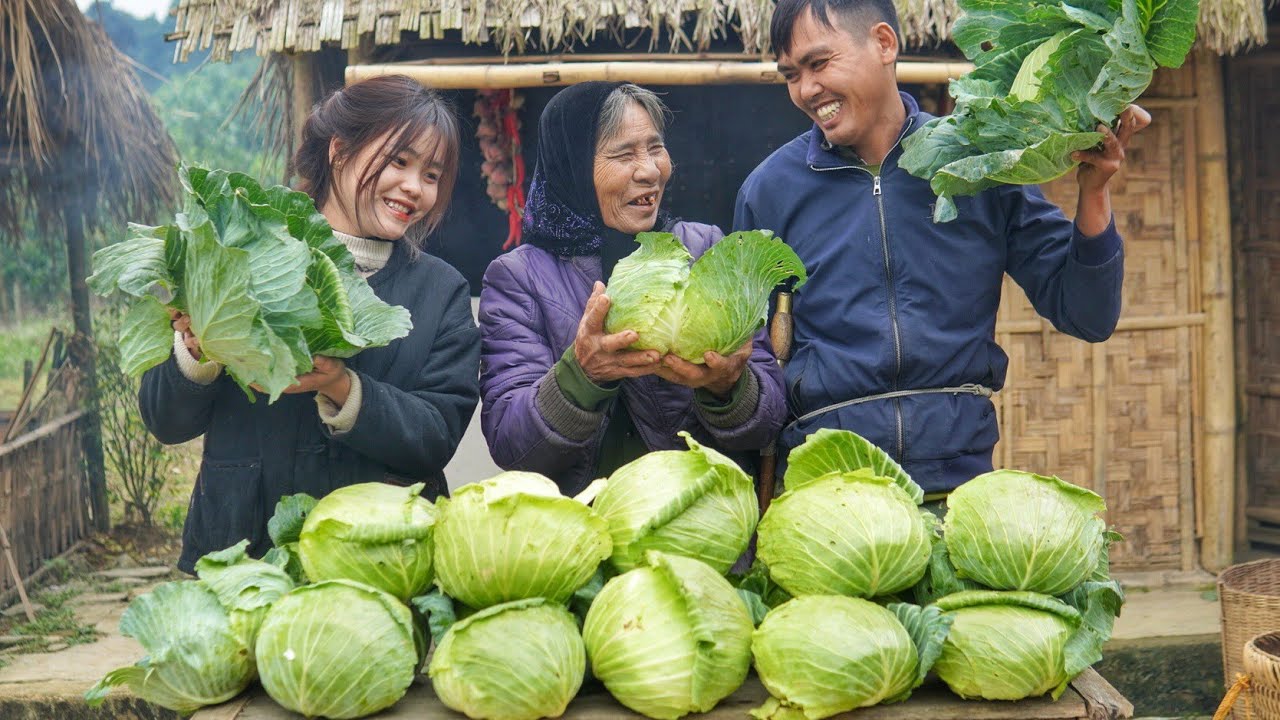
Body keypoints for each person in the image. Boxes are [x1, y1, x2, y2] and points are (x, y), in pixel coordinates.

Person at [735, 0, 1150, 499]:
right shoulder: (768, 192)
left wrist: (1095, 192)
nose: (805, 90)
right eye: (790, 75)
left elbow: (1088, 314)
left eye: (819, 63)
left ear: (884, 44)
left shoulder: (979, 163)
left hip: (958, 492)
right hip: (829, 500)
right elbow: (747, 362)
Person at [141, 75, 481, 573]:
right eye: (399, 161)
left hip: (380, 565)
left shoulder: (440, 291)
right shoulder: (237, 256)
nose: (415, 188)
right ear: (340, 152)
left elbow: (436, 437)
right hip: (241, 560)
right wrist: (198, 349)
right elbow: (165, 422)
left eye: (432, 175)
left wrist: (345, 388)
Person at [479, 81, 786, 494]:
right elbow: (512, 446)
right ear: (573, 165)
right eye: (623, 154)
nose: (649, 170)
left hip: (699, 528)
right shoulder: (519, 279)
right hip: (581, 538)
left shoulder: (704, 251)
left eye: (655, 148)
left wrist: (729, 386)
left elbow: (769, 420)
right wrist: (581, 374)